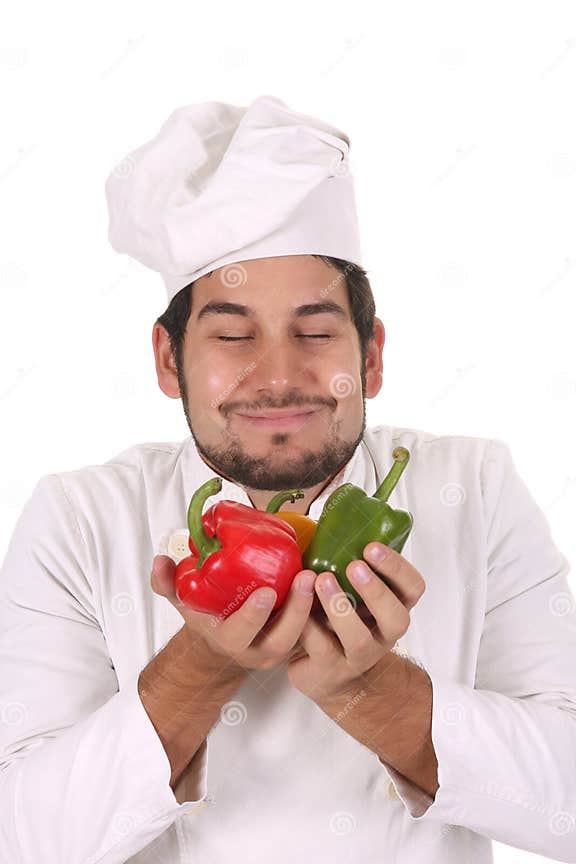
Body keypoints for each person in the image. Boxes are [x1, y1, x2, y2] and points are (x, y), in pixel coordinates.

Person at [1, 95, 575, 864]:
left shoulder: (472, 486)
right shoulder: (79, 518)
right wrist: (200, 668)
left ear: (369, 356)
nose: (278, 377)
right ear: (170, 361)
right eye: (233, 335)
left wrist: (372, 693)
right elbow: (21, 835)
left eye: (314, 331)